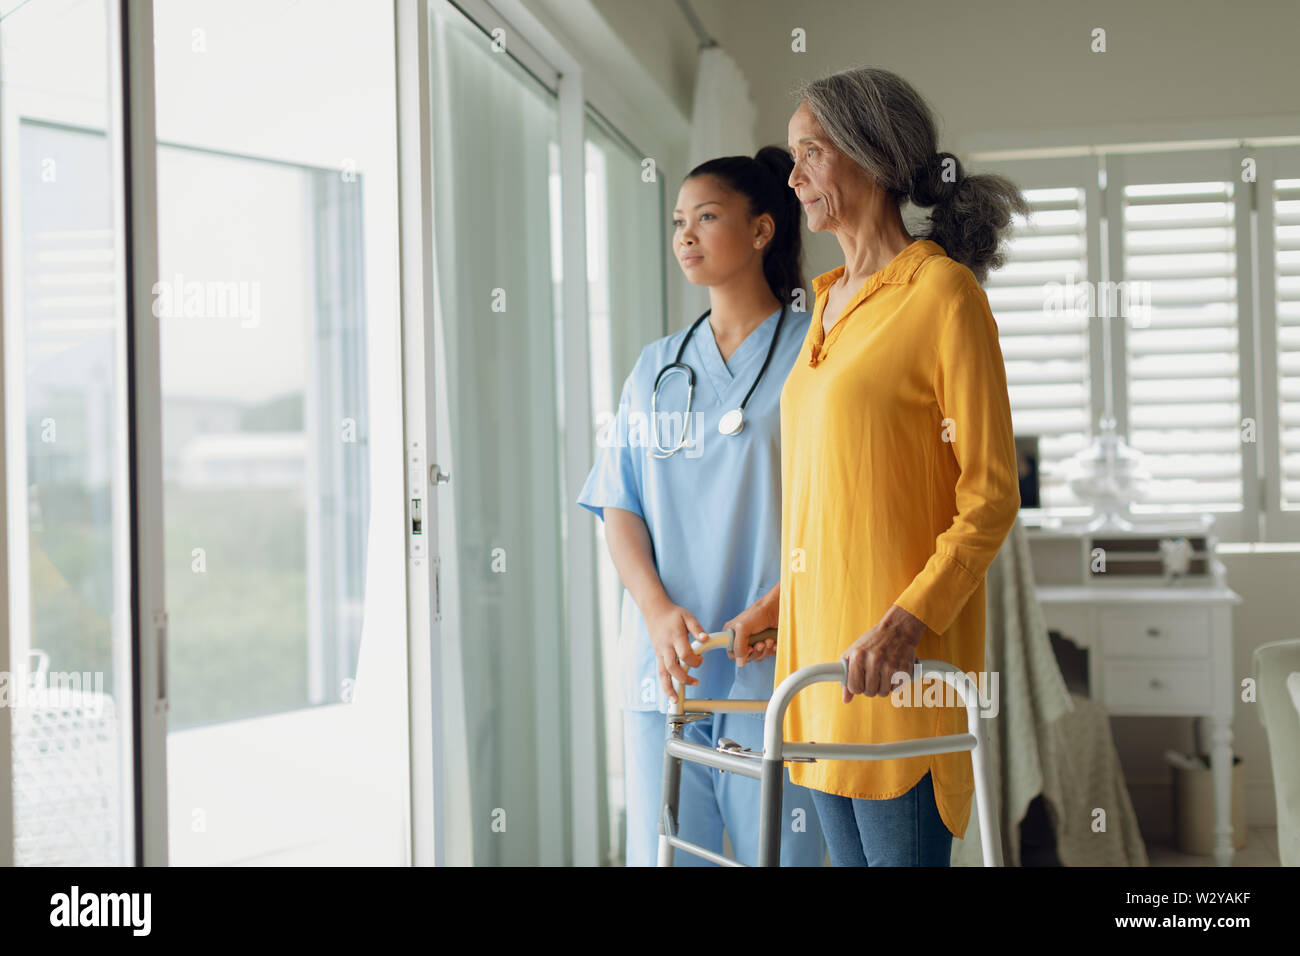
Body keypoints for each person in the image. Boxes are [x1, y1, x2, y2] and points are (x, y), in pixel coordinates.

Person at [775, 67, 1026, 866]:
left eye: (811, 152)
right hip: (818, 677)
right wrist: (777, 604)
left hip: (899, 678)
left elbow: (990, 495)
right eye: (793, 156)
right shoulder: (826, 303)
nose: (794, 177)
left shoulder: (943, 296)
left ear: (872, 158)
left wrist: (907, 621)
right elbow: (838, 502)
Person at [578, 147, 826, 867]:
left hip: (772, 665)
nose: (684, 234)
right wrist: (655, 611)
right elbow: (618, 505)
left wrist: (781, 602)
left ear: (761, 231)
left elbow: (838, 509)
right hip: (669, 669)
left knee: (780, 856)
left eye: (707, 217)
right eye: (679, 221)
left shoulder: (815, 351)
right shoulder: (656, 368)